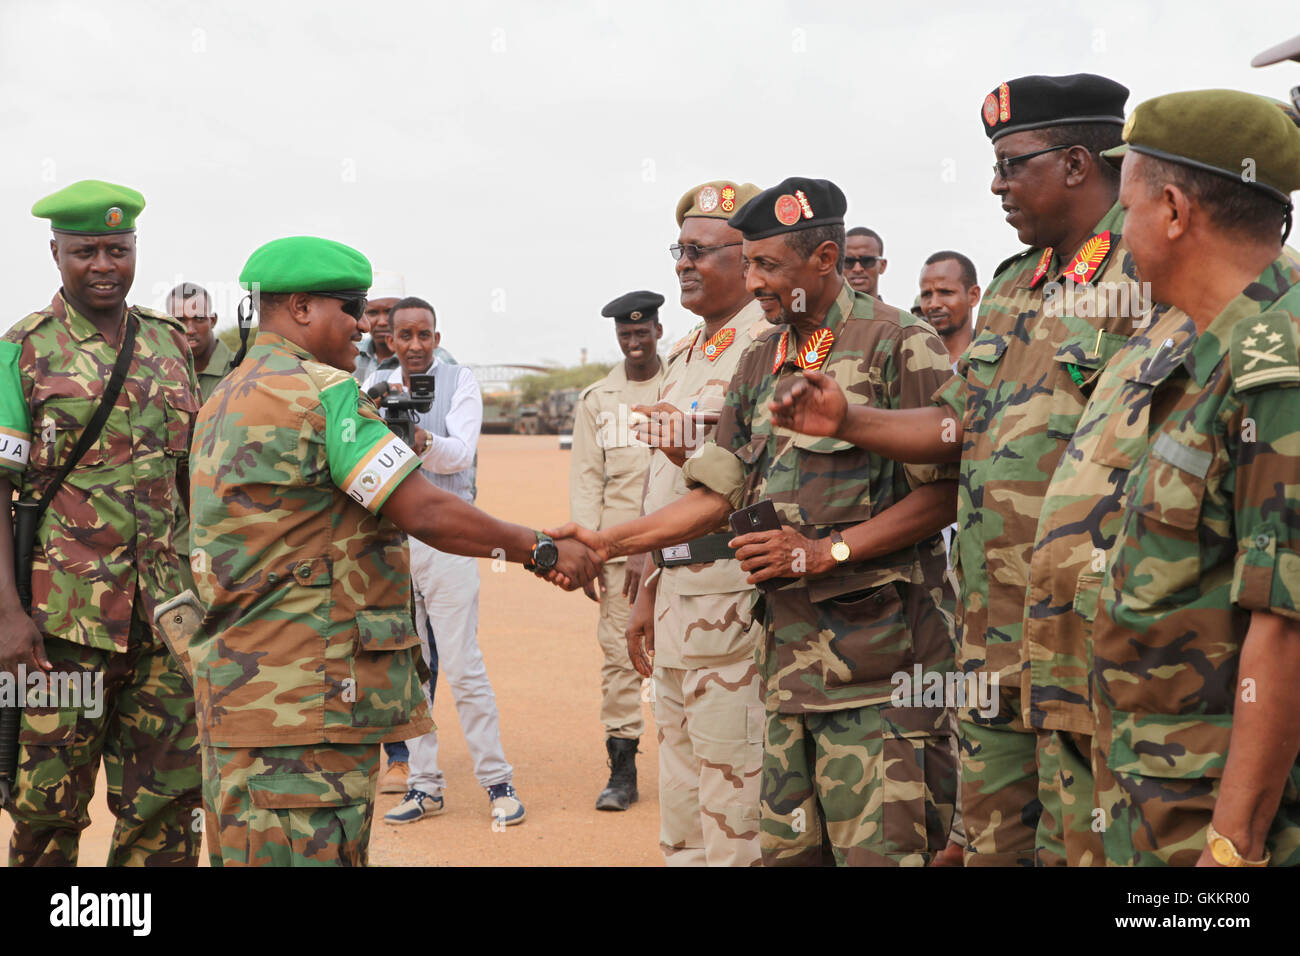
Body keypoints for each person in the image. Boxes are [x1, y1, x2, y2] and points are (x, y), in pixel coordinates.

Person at [766, 75, 1138, 868]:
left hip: (1098, 639)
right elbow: (958, 426)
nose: (997, 184)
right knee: (992, 845)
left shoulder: (1144, 280)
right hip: (996, 635)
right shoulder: (1013, 287)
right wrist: (852, 421)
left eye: (1012, 164)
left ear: (1076, 163)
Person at [553, 177, 960, 866]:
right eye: (749, 265)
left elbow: (947, 493)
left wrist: (823, 553)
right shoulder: (760, 358)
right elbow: (716, 491)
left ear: (824, 259)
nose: (754, 281)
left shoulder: (900, 343)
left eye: (767, 265)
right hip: (786, 671)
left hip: (884, 675)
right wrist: (608, 542)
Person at [189, 236, 598, 865]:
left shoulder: (223, 395)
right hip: (308, 708)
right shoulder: (323, 394)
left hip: (244, 698)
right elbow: (423, 509)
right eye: (350, 307)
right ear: (300, 307)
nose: (363, 326)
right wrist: (541, 548)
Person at [1085, 90, 1300, 866]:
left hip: (1221, 819)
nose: (1120, 234)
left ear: (1173, 210)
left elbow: (1287, 624)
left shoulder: (1277, 365)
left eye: (1128, 207)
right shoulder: (1206, 347)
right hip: (1160, 790)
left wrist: (1232, 844)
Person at [0, 179, 202, 866]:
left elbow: (187, 484)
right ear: (55, 251)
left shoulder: (171, 346)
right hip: (60, 626)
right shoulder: (23, 351)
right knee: (46, 807)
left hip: (168, 623)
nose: (104, 266)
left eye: (118, 249)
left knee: (169, 803)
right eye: (86, 251)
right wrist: (7, 616)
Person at [624, 180, 766, 864]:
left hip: (735, 601)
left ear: (751, 257)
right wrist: (647, 584)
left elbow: (771, 484)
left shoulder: (771, 346)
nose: (684, 263)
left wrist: (692, 453)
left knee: (735, 805)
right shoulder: (685, 352)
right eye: (680, 249)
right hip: (677, 598)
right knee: (679, 805)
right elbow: (662, 490)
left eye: (703, 250)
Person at [366, 297, 525, 827]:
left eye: (423, 335)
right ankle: (424, 785)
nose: (413, 345)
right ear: (389, 339)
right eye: (403, 336)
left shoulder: (460, 381)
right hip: (394, 545)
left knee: (462, 665)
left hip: (450, 541)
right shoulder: (374, 386)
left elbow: (460, 453)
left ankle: (497, 781)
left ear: (436, 337)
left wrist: (419, 439)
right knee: (412, 672)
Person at [570, 290, 665, 810]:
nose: (634, 341)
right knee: (618, 658)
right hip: (615, 555)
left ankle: (688, 768)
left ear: (657, 330)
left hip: (680, 547)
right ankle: (622, 775)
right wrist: (588, 549)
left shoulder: (681, 384)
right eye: (625, 334)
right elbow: (588, 479)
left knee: (685, 654)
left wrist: (650, 543)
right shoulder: (596, 400)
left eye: (642, 332)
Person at [167, 282, 238, 597]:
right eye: (181, 321)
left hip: (232, 524)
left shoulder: (240, 372)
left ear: (213, 319)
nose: (190, 328)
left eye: (198, 319)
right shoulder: (163, 375)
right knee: (183, 626)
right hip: (177, 530)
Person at [917, 252, 979, 368]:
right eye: (926, 294)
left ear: (973, 295)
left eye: (945, 292)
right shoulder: (910, 363)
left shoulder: (997, 361)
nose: (934, 304)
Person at [844, 227, 887, 298]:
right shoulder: (821, 309)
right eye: (848, 262)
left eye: (867, 261)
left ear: (882, 265)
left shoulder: (891, 310)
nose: (857, 269)